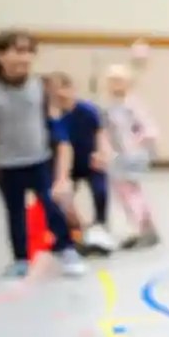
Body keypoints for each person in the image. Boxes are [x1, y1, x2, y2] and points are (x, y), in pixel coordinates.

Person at [0, 30, 86, 278]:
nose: (24, 57)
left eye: (29, 52)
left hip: (40, 161)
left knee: (51, 206)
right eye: (17, 51)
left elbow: (56, 127)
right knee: (15, 212)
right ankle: (21, 258)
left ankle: (66, 249)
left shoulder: (40, 87)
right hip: (7, 165)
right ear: (0, 55)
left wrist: (62, 173)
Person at [46, 72, 116, 254]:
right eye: (54, 90)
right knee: (63, 200)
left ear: (71, 89)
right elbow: (61, 145)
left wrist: (102, 153)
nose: (60, 94)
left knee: (100, 192)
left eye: (63, 88)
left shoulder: (87, 109)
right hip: (68, 164)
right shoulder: (55, 117)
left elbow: (100, 132)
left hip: (90, 161)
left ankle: (100, 226)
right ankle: (76, 231)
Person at [102, 63, 161, 250]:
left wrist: (139, 145)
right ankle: (143, 228)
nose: (113, 84)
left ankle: (143, 228)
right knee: (128, 193)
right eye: (111, 80)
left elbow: (148, 129)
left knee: (129, 193)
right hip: (121, 154)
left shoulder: (130, 106)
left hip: (130, 154)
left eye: (118, 80)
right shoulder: (113, 105)